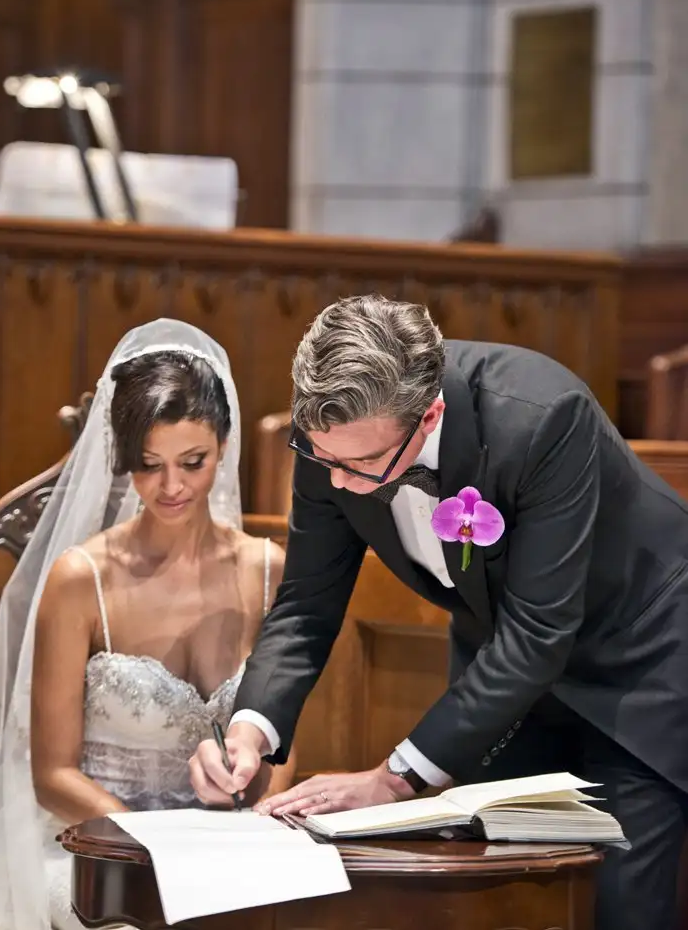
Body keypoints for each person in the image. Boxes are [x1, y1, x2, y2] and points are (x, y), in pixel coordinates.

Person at [190, 294, 688, 930]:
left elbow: (539, 631)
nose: (336, 483)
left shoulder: (543, 417)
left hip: (637, 665)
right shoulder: (335, 440)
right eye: (322, 459)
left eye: (362, 466)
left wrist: (392, 778)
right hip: (504, 685)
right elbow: (307, 602)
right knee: (494, 896)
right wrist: (249, 732)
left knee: (618, 903)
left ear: (430, 415)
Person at [0, 319, 292, 930]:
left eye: (193, 461)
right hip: (95, 847)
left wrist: (256, 807)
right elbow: (52, 776)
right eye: (149, 465)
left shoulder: (267, 571)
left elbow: (284, 745)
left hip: (229, 848)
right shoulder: (82, 579)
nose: (172, 486)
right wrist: (153, 846)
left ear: (224, 443)